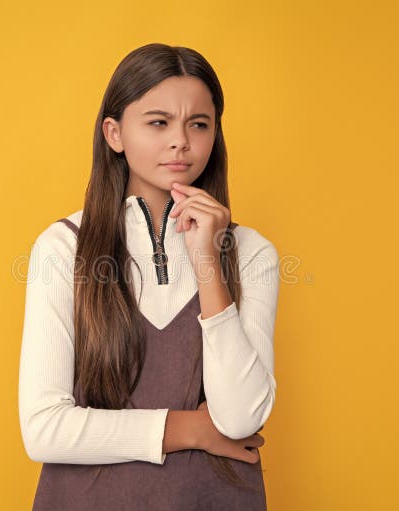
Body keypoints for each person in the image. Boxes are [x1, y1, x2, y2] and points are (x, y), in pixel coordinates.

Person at [18, 42, 281, 510]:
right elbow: (44, 430)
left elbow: (241, 417)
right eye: (158, 122)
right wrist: (191, 429)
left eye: (198, 124)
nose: (180, 140)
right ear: (114, 133)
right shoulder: (62, 249)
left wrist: (208, 263)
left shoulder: (252, 253)